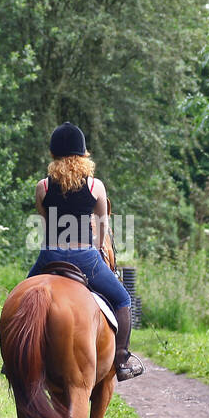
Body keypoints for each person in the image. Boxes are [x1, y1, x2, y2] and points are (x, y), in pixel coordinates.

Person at [26, 122, 143, 380]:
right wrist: (99, 246)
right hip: (86, 258)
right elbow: (103, 227)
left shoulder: (42, 187)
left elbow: (46, 225)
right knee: (123, 299)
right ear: (83, 154)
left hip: (50, 255)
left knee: (21, 297)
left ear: (53, 154)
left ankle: (15, 359)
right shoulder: (95, 187)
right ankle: (122, 361)